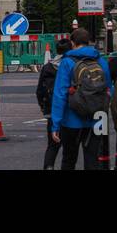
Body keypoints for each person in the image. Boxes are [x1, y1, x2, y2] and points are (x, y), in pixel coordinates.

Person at [49, 27, 111, 170]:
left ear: (72, 43)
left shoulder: (67, 62)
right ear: (88, 42)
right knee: (92, 159)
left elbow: (60, 94)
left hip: (72, 119)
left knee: (69, 159)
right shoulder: (101, 60)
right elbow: (108, 89)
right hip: (97, 118)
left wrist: (55, 124)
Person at [35, 38, 70, 169]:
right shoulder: (71, 65)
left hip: (51, 111)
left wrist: (43, 107)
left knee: (52, 146)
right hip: (68, 111)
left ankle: (48, 167)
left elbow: (39, 90)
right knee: (69, 147)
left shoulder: (47, 67)